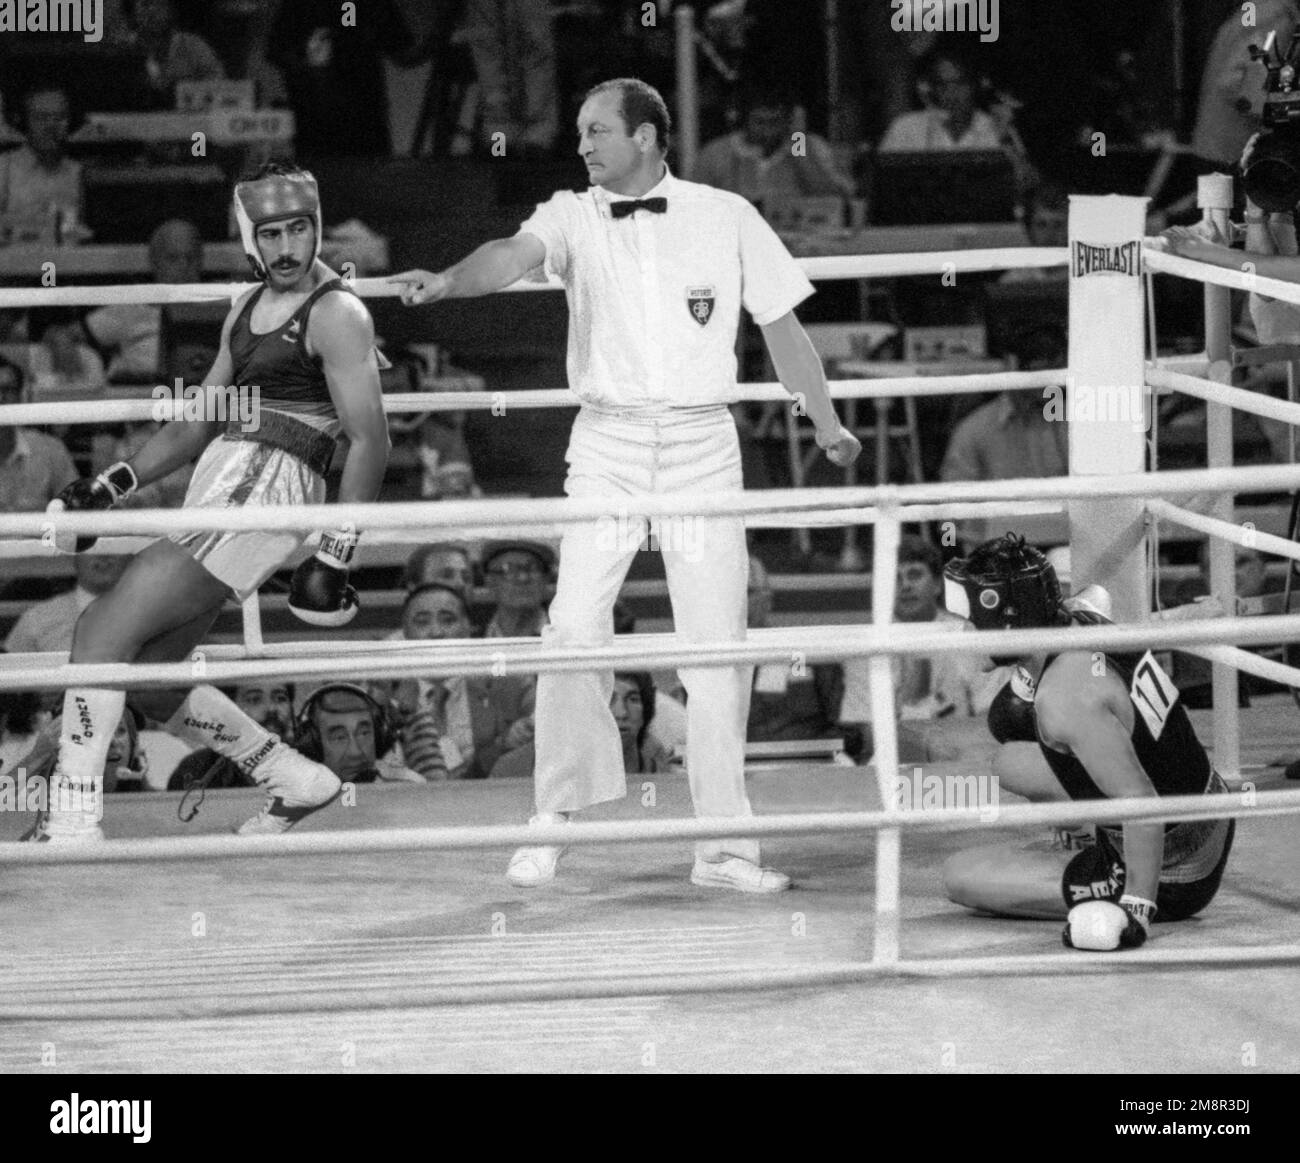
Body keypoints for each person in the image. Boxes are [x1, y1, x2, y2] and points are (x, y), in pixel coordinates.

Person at [390, 76, 861, 893]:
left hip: (701, 443)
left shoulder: (726, 214)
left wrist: (824, 420)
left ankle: (723, 845)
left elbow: (783, 326)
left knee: (716, 646)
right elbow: (510, 256)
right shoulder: (571, 212)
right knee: (572, 626)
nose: (581, 144)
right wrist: (449, 281)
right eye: (577, 130)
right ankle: (551, 820)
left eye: (596, 130)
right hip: (606, 444)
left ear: (646, 136)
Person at [23, 161, 391, 843]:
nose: (287, 248)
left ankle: (72, 815)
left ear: (316, 228)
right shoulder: (246, 309)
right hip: (222, 480)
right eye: (272, 233)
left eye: (300, 230)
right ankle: (293, 776)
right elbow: (199, 419)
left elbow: (371, 437)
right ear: (248, 235)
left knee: (101, 632)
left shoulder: (337, 312)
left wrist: (338, 550)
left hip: (266, 489)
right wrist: (112, 483)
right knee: (151, 676)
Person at [940, 534, 1235, 951]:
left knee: (960, 876)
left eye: (972, 618)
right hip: (1201, 800)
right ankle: (1086, 840)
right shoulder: (1082, 616)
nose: (964, 630)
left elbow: (1141, 805)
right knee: (1007, 762)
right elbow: (1097, 597)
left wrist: (1134, 912)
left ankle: (1119, 875)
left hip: (1179, 867)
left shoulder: (1067, 697)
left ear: (1006, 619)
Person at [384, 582, 534, 781]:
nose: (436, 632)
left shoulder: (507, 682)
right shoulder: (385, 693)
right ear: (405, 633)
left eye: (448, 620)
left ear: (468, 628)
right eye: (422, 622)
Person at [692, 84, 855, 211]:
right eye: (759, 122)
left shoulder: (805, 144)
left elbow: (831, 197)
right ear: (745, 121)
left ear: (787, 121)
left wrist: (798, 139)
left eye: (775, 122)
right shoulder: (716, 153)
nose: (767, 131)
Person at [166, 681, 295, 791]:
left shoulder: (310, 760)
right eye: (255, 700)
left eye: (280, 698)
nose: (271, 709)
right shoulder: (198, 770)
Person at [0, 85, 84, 245]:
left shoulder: (76, 172)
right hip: (14, 265)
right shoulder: (4, 167)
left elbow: (73, 234)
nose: (51, 126)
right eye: (41, 117)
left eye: (60, 117)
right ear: (25, 121)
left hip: (62, 266)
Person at [293, 684, 423, 784]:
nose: (355, 752)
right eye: (339, 737)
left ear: (378, 735)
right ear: (313, 744)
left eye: (364, 733)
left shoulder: (408, 786)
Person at [4, 553, 129, 655]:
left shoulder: (148, 618)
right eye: (92, 546)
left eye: (113, 545)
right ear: (74, 556)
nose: (102, 555)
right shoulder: (37, 621)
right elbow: (8, 679)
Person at [0, 356, 78, 514]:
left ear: (21, 397)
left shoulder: (50, 449)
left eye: (8, 390)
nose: (0, 398)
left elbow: (75, 511)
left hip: (42, 538)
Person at [481, 539, 553, 638]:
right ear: (489, 581)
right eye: (509, 569)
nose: (523, 577)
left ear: (546, 578)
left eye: (532, 568)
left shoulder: (567, 635)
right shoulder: (470, 637)